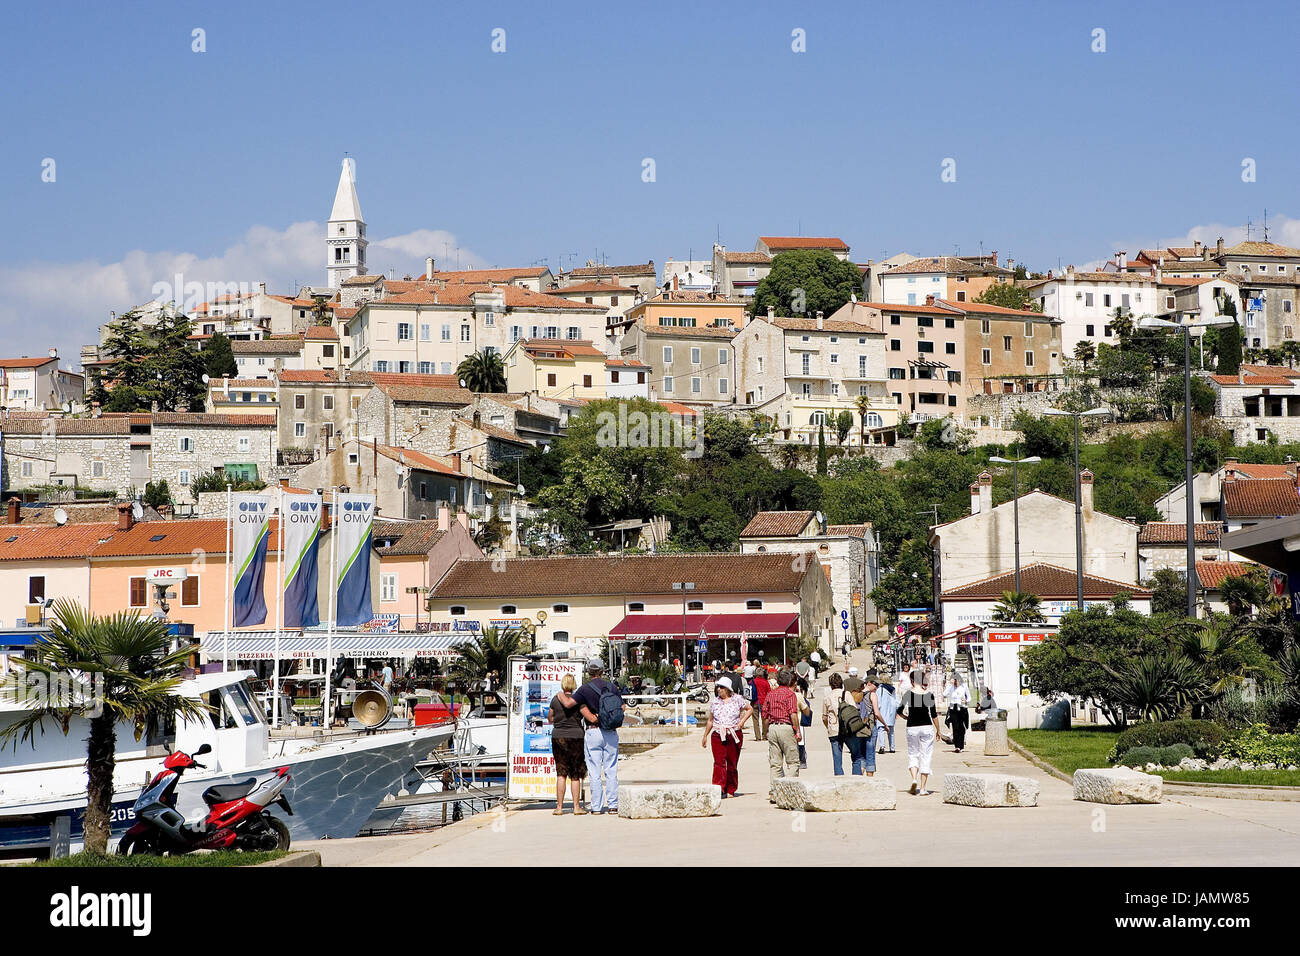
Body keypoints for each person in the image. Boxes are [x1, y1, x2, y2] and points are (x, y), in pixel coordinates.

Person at [571, 658, 621, 814]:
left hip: (593, 730)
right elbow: (622, 707)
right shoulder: (612, 687)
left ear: (589, 672)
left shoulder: (584, 690)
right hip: (610, 731)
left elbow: (572, 704)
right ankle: (613, 805)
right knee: (611, 770)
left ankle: (596, 807)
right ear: (602, 671)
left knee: (594, 771)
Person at [702, 676, 751, 798]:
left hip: (733, 734)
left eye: (722, 687)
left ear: (728, 689)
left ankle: (730, 788)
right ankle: (718, 788)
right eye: (718, 687)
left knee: (732, 763)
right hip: (718, 734)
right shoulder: (715, 702)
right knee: (719, 763)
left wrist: (742, 722)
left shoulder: (737, 699)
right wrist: (705, 736)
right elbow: (710, 720)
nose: (719, 689)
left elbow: (749, 709)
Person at [897, 668, 942, 796]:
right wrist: (938, 730)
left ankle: (914, 779)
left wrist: (906, 717)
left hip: (912, 726)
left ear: (911, 681)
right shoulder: (928, 695)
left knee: (913, 754)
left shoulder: (908, 694)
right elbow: (934, 715)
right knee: (926, 756)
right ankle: (922, 788)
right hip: (926, 726)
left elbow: (899, 710)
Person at [548, 674, 588, 815]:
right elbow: (585, 714)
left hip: (558, 736)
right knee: (575, 774)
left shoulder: (555, 699)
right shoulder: (578, 700)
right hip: (576, 737)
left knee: (561, 773)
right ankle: (576, 807)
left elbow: (550, 718)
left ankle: (559, 807)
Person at [761, 667, 803, 799]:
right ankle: (788, 791)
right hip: (786, 727)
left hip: (773, 727)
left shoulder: (771, 694)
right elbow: (793, 714)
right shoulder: (790, 695)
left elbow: (764, 715)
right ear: (790, 681)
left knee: (775, 763)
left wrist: (766, 731)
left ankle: (774, 791)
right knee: (793, 761)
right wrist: (797, 731)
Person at [821, 673, 847, 775]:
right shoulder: (846, 694)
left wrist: (828, 726)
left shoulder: (827, 698)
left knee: (837, 758)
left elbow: (824, 717)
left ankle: (839, 777)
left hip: (834, 728)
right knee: (856, 756)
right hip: (847, 728)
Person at [944, 674, 970, 753]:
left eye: (956, 680)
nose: (955, 683)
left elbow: (969, 697)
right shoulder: (951, 687)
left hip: (962, 707)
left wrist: (966, 701)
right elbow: (944, 694)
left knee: (961, 727)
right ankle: (957, 746)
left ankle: (961, 745)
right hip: (953, 707)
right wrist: (949, 685)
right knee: (955, 726)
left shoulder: (964, 686)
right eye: (954, 681)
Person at [875, 671, 899, 753]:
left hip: (882, 710)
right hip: (891, 711)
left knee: (881, 728)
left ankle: (882, 746)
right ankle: (892, 747)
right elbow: (897, 701)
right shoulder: (893, 689)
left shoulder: (880, 689)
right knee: (891, 730)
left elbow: (879, 701)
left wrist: (876, 710)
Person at [794, 680, 812, 769]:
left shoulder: (798, 695)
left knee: (799, 743)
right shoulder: (798, 696)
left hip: (794, 722)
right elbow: (807, 710)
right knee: (800, 743)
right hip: (798, 722)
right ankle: (802, 760)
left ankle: (801, 759)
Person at [750, 666, 771, 740]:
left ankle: (758, 737)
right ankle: (764, 735)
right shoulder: (765, 682)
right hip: (764, 702)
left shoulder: (752, 681)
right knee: (764, 719)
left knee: (755, 720)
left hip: (754, 701)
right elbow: (769, 693)